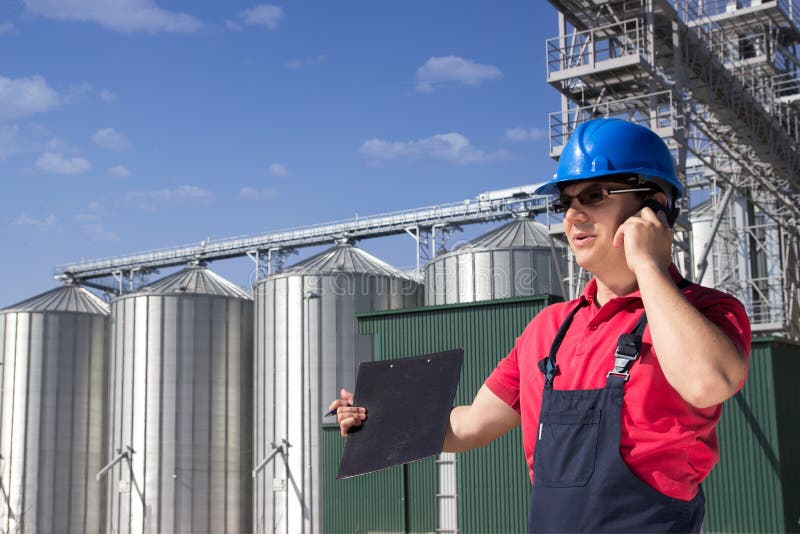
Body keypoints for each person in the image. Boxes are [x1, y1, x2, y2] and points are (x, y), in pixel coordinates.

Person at [329, 118, 751, 532]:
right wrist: (378, 421)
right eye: (565, 202)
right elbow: (472, 425)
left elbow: (706, 384)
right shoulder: (549, 330)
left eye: (594, 195)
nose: (574, 215)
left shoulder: (707, 312)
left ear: (654, 204)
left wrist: (647, 263)